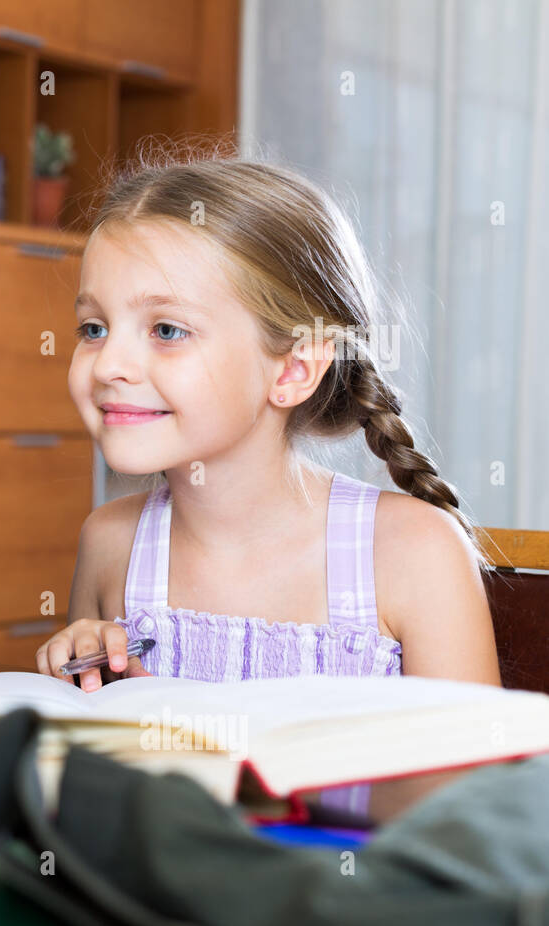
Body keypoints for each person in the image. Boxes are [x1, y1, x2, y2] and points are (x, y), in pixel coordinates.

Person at [37, 150, 500, 695]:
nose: (109, 365)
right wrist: (84, 670)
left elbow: (471, 780)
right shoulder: (109, 542)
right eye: (93, 329)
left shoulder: (416, 553)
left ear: (294, 369)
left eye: (166, 330)